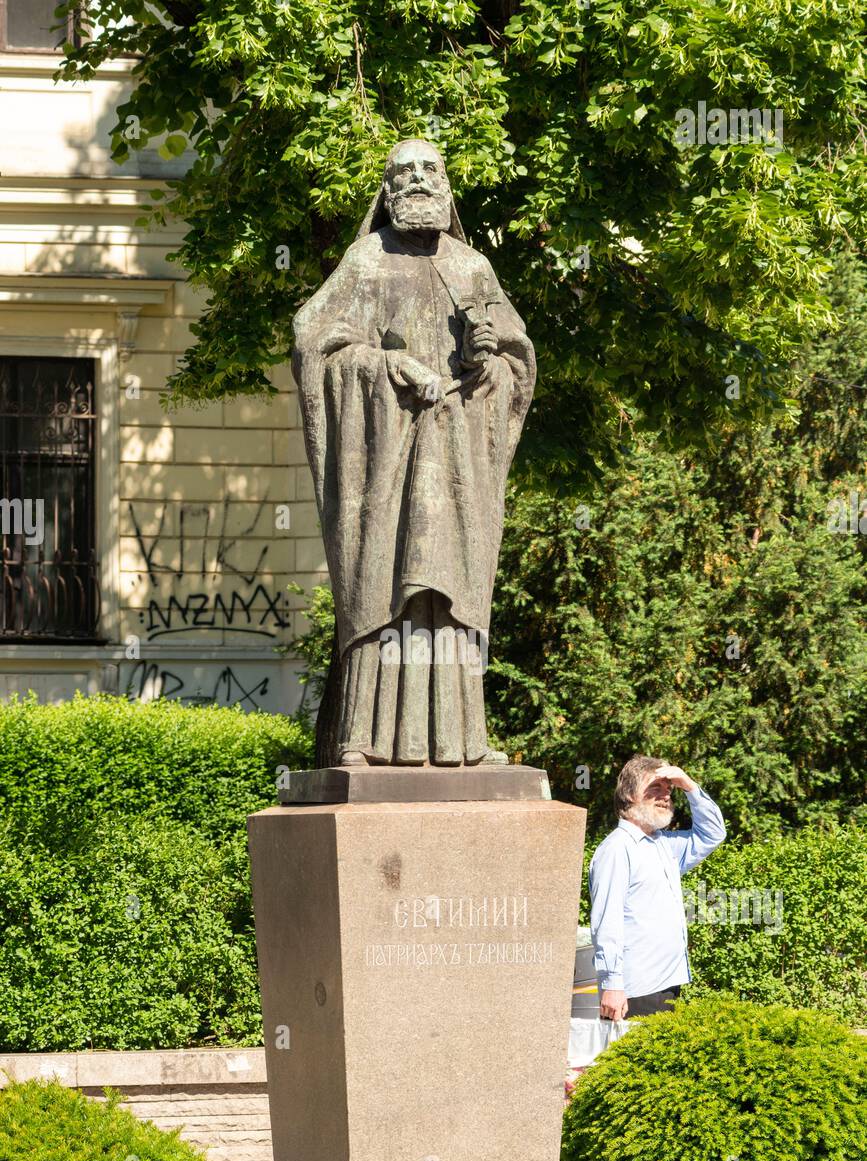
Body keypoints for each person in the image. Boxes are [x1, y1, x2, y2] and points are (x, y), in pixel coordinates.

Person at [292, 138, 536, 766]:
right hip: (388, 465)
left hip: (454, 462)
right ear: (388, 188)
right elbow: (317, 348)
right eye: (405, 171)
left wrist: (485, 361)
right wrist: (384, 366)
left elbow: (516, 365)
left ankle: (459, 742)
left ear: (447, 185)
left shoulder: (473, 268)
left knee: (451, 586)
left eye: (430, 169)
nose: (419, 180)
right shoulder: (365, 261)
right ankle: (366, 741)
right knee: (383, 583)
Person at [589, 756, 726, 1021]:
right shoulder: (617, 848)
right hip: (633, 992)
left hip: (668, 985)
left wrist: (689, 786)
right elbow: (607, 922)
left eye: (668, 790)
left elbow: (713, 834)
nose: (665, 796)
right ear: (629, 793)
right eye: (655, 788)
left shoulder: (665, 846)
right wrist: (612, 984)